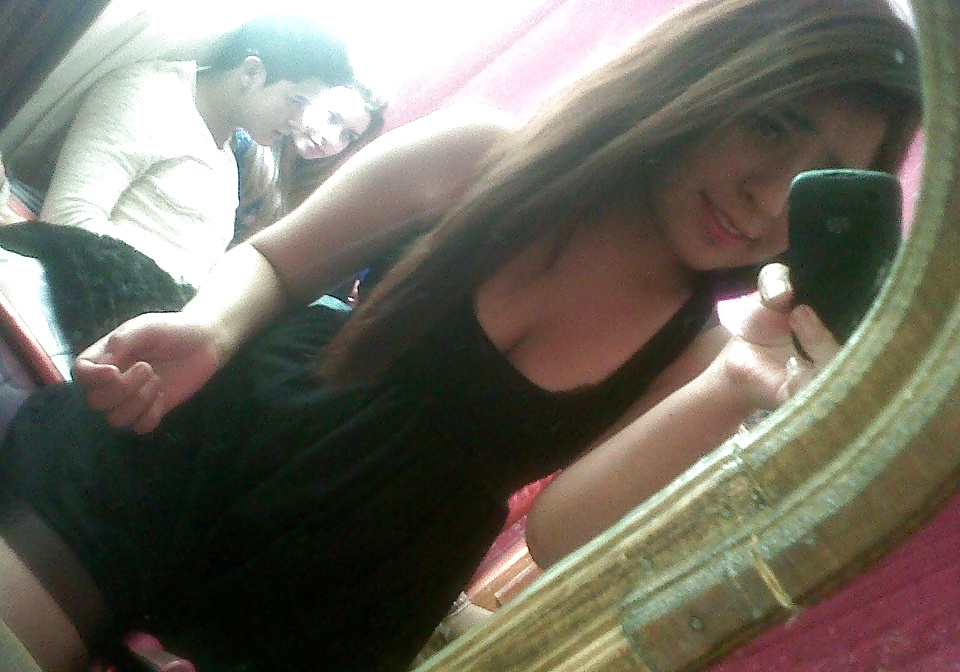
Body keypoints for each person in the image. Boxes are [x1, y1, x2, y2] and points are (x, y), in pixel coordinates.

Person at [0, 0, 922, 671]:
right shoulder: (482, 154)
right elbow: (278, 261)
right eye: (770, 122)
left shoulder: (703, 360)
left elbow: (558, 533)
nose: (768, 194)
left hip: (343, 591)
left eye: (819, 177)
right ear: (705, 80)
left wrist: (736, 388)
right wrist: (208, 328)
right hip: (209, 439)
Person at [38, 13, 354, 287]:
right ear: (250, 73)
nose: (299, 122)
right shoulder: (151, 97)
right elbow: (67, 217)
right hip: (90, 299)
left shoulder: (229, 156)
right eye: (296, 102)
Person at [231, 83, 387, 243]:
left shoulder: (316, 195)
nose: (332, 139)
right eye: (332, 117)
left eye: (348, 136)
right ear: (308, 98)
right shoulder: (240, 146)